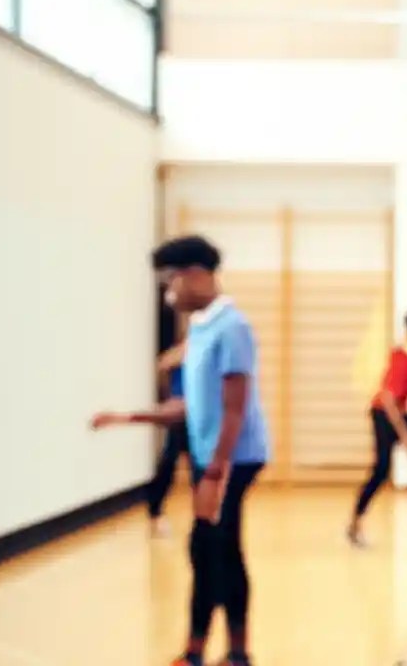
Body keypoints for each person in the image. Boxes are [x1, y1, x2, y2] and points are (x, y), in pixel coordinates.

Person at [93, 235, 269, 666]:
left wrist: (215, 472)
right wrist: (130, 417)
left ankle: (234, 653)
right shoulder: (202, 328)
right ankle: (200, 650)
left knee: (218, 548)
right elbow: (191, 405)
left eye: (171, 283)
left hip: (233, 459)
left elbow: (234, 406)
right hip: (211, 457)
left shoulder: (233, 327)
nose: (169, 294)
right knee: (208, 549)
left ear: (195, 275)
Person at [348, 308, 407, 547]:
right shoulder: (404, 357)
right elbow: (388, 397)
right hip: (386, 416)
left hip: (401, 414)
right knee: (381, 469)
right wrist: (404, 433)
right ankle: (355, 523)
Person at [146, 324, 190, 538]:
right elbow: (163, 365)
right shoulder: (179, 353)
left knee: (203, 469)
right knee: (168, 463)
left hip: (198, 416)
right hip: (178, 415)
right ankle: (155, 513)